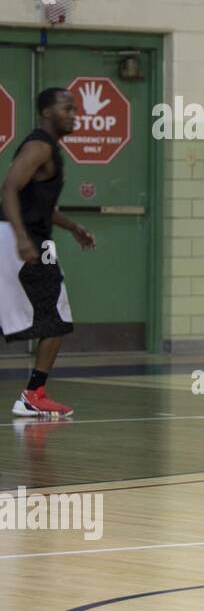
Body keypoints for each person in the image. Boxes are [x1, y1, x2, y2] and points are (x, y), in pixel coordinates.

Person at [0, 87, 96, 417]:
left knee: (53, 312)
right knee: (56, 315)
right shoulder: (39, 146)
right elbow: (9, 188)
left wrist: (73, 227)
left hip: (41, 240)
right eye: (66, 108)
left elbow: (40, 204)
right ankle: (33, 395)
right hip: (25, 239)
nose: (74, 114)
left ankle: (34, 393)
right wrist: (21, 238)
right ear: (47, 113)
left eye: (74, 108)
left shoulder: (48, 149)